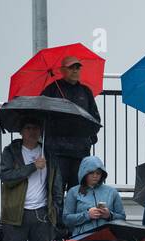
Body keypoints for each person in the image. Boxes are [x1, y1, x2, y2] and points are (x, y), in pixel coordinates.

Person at [0, 118, 55, 241]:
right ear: (21, 131)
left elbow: (55, 183)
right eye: (28, 127)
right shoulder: (11, 151)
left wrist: (55, 212)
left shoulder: (48, 151)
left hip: (41, 215)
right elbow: (7, 177)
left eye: (36, 127)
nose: (32, 131)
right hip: (15, 215)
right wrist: (32, 167)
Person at [41, 53, 101, 228]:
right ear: (62, 70)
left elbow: (95, 119)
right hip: (57, 152)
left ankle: (74, 228)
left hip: (80, 152)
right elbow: (41, 116)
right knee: (57, 192)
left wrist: (89, 136)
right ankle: (57, 230)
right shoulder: (52, 90)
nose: (75, 70)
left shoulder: (86, 92)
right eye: (72, 67)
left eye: (78, 67)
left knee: (77, 192)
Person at [62, 155, 124, 239]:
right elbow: (66, 219)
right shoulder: (73, 192)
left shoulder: (112, 192)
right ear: (84, 173)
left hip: (106, 239)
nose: (95, 176)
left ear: (102, 174)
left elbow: (122, 218)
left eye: (98, 173)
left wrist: (109, 215)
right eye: (91, 172)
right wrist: (87, 215)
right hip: (81, 240)